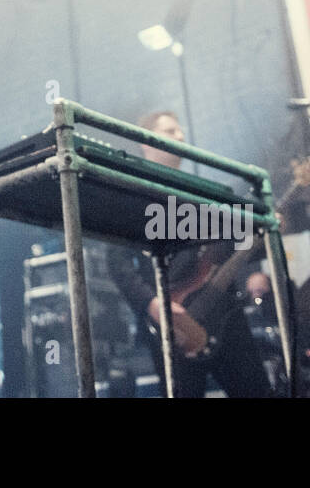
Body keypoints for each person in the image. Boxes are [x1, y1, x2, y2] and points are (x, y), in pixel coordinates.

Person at [111, 110, 271, 397]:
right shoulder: (133, 193)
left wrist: (253, 271)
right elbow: (117, 262)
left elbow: (229, 248)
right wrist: (153, 304)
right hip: (174, 324)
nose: (181, 136)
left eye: (180, 130)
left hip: (226, 314)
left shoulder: (202, 193)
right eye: (170, 131)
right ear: (146, 143)